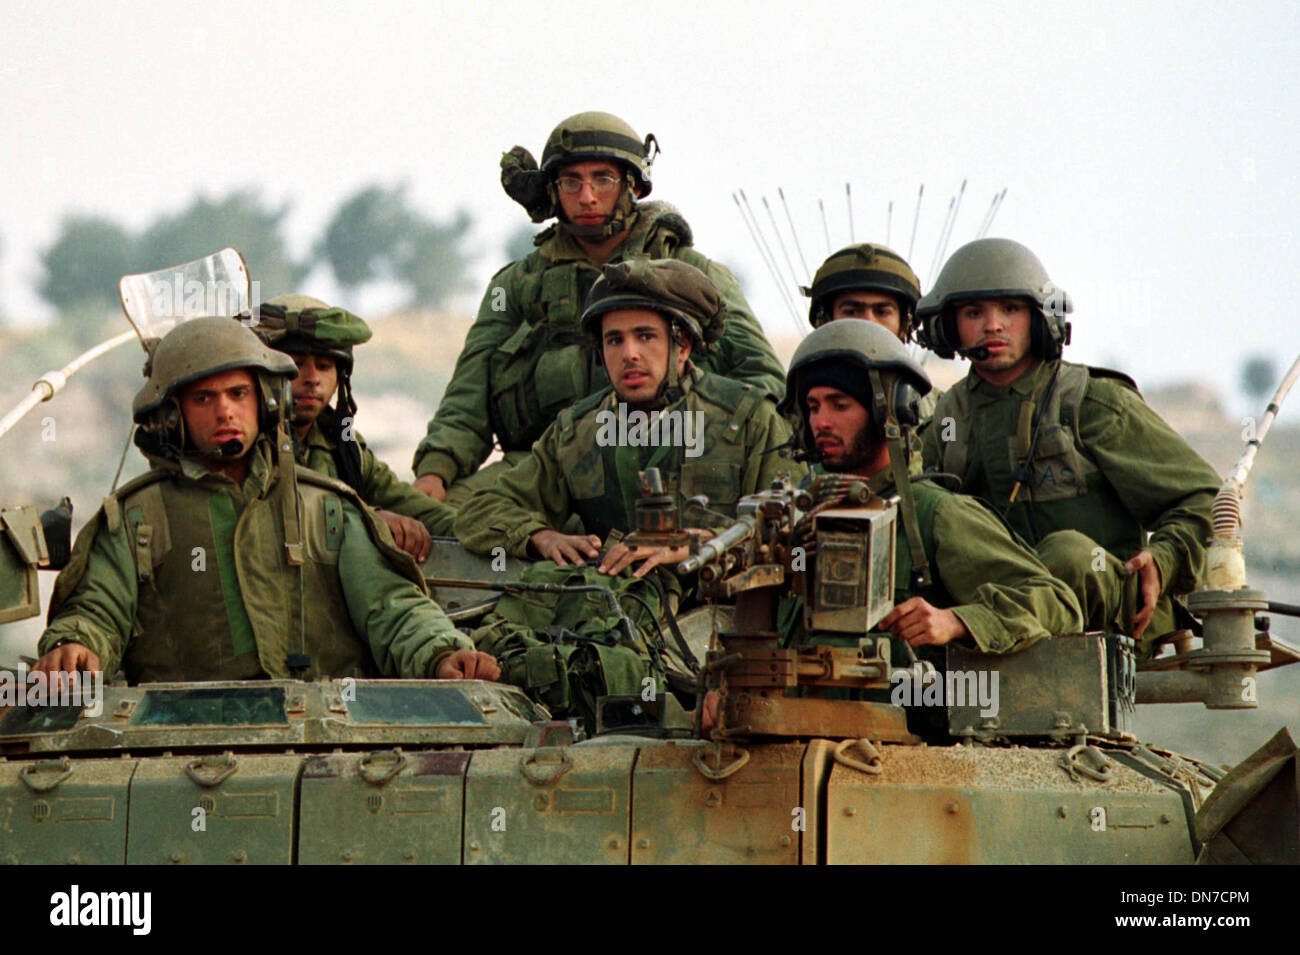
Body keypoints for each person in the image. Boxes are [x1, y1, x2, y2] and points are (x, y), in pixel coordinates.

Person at [31, 316, 498, 685]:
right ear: (172, 416)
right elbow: (97, 608)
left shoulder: (325, 508)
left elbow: (391, 606)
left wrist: (440, 652)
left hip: (326, 742)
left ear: (267, 402)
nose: (225, 411)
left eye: (238, 393)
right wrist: (76, 646)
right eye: (203, 399)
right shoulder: (137, 517)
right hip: (185, 736)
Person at [412, 111, 786, 508]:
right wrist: (435, 473)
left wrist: (713, 450)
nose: (586, 197)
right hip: (543, 471)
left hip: (675, 462)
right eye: (571, 182)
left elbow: (764, 386)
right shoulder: (517, 286)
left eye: (602, 179)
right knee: (443, 522)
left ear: (632, 185)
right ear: (554, 191)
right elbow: (468, 399)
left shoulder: (693, 276)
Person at [916, 238, 1220, 658]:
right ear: (947, 327)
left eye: (1010, 309)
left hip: (1106, 609)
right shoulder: (948, 418)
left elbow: (1207, 499)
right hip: (1003, 617)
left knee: (1068, 556)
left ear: (1041, 318)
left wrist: (1164, 559)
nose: (993, 326)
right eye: (973, 313)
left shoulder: (1088, 402)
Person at [454, 257, 806, 578]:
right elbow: (480, 512)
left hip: (718, 616)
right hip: (614, 613)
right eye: (614, 341)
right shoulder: (577, 432)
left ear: (682, 346)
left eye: (645, 336)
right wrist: (540, 537)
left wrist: (699, 544)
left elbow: (799, 535)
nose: (629, 354)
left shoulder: (749, 421)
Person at [781, 319, 1084, 655]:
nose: (821, 422)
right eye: (813, 407)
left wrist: (956, 621)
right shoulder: (802, 520)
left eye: (840, 405)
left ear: (889, 413)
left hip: (906, 704)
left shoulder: (935, 514)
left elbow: (1058, 603)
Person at [253, 294, 456, 562]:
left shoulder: (343, 445)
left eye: (324, 366)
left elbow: (418, 509)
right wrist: (372, 520)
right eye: (296, 365)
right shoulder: (246, 443)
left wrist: (507, 535)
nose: (312, 379)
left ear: (341, 378)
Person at [802, 241, 939, 427]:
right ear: (826, 321)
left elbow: (954, 447)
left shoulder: (946, 414)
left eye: (882, 312)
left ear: (904, 324)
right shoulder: (798, 407)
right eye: (851, 312)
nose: (868, 323)